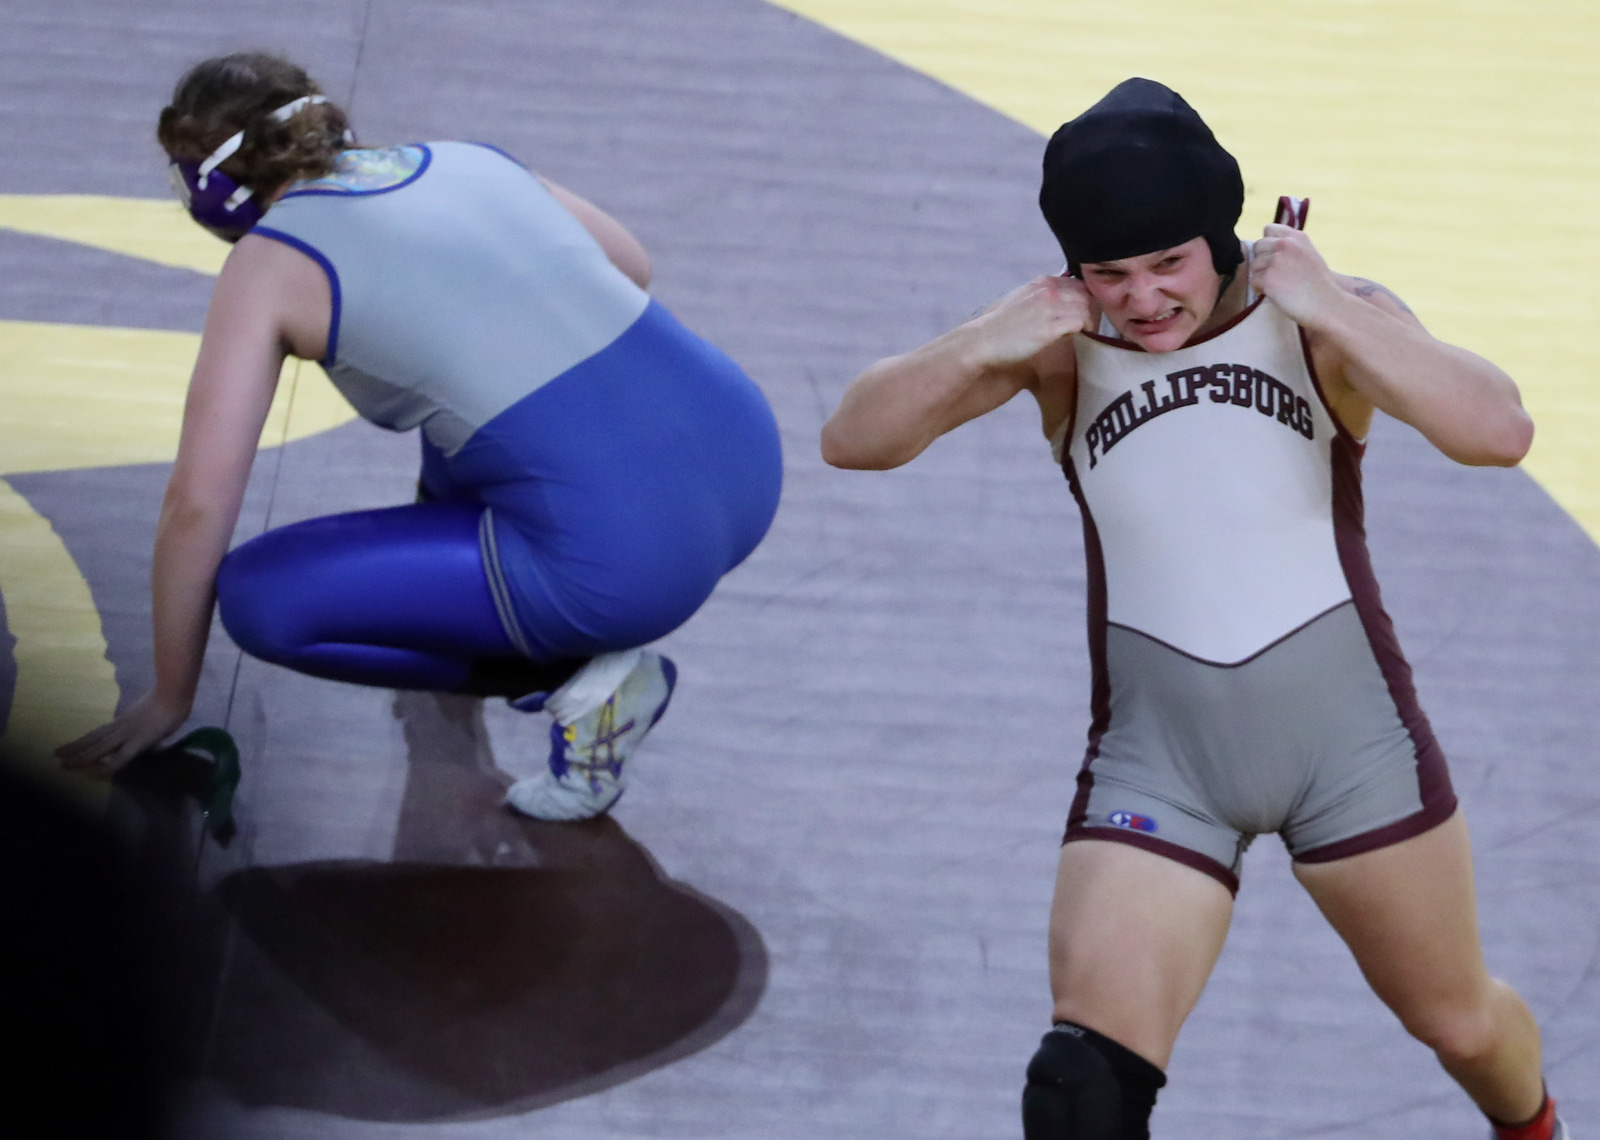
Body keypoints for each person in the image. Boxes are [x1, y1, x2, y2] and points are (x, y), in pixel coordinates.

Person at [822, 79, 1565, 1140]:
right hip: (1160, 766)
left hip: (1352, 754)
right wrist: (984, 335)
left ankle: (1532, 1128)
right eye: (1108, 273)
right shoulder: (1051, 350)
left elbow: (1497, 430)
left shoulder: (1320, 326)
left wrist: (1332, 304)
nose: (1141, 299)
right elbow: (853, 438)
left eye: (1168, 262)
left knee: (1458, 1027)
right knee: (1077, 1092)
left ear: (1222, 243)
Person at [57, 53, 783, 822]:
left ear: (211, 183)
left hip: (625, 563)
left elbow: (198, 504)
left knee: (261, 602)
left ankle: (583, 684)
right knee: (466, 411)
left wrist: (170, 693)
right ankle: (510, 597)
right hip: (743, 456)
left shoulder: (270, 265)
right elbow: (631, 265)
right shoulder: (463, 159)